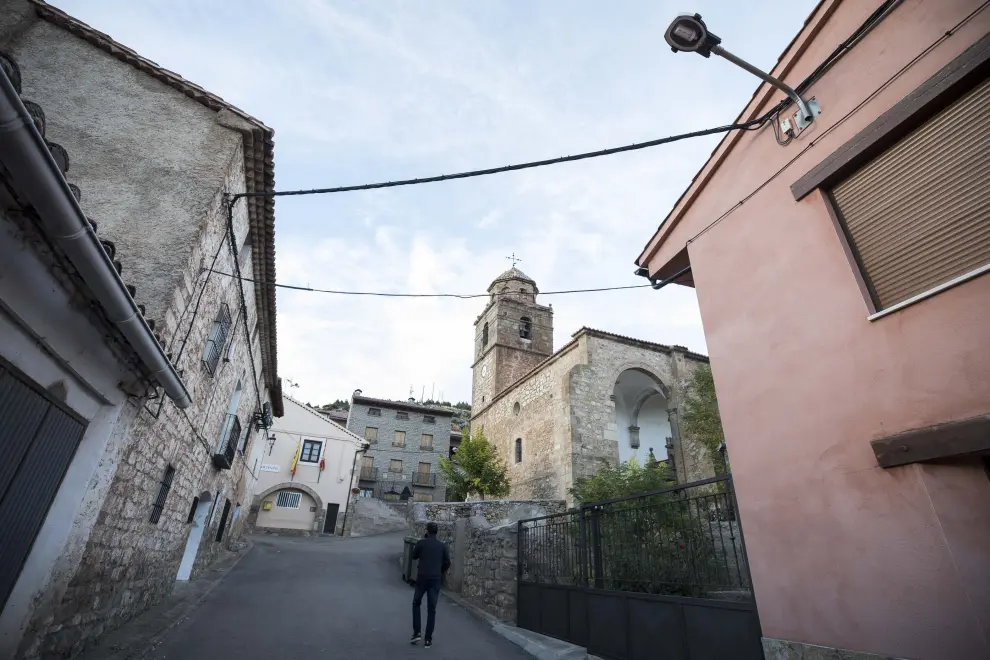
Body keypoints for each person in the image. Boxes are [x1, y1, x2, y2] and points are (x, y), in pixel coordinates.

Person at [410, 522, 450, 648]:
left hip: (422, 578)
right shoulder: (442, 546)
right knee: (431, 609)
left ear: (426, 531)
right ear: (437, 532)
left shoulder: (422, 543)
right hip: (435, 579)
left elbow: (414, 556)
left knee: (416, 603)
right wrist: (439, 570)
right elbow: (447, 562)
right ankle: (428, 639)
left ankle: (416, 633)